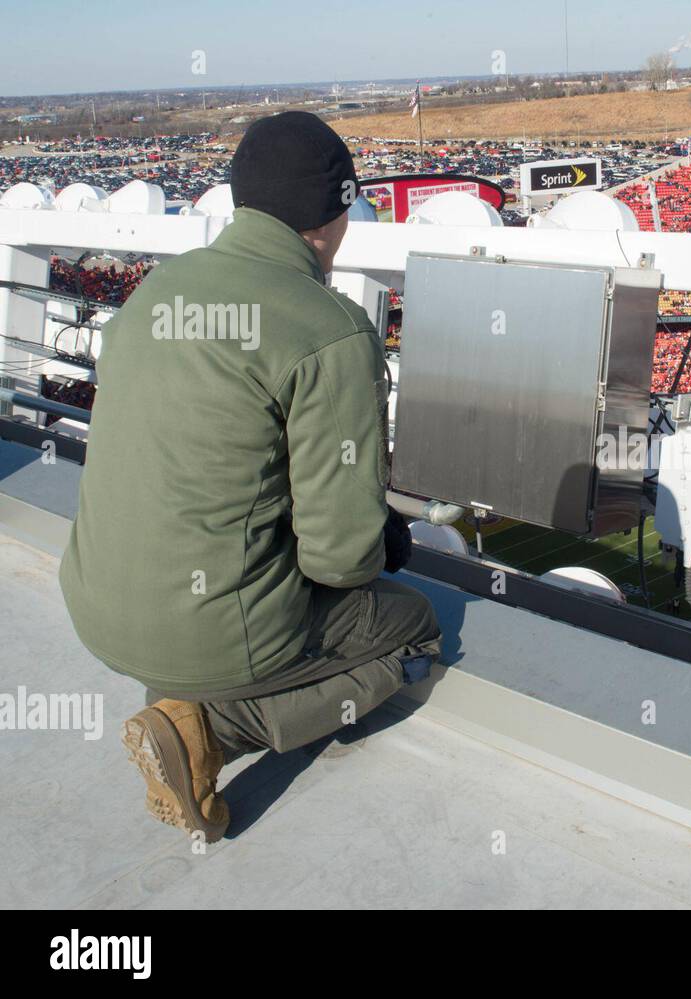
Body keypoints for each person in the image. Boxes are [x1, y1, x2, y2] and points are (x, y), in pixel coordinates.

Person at [59, 111, 441, 843]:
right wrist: (374, 534)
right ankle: (214, 728)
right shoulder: (328, 327)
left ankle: (186, 699)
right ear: (334, 213)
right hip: (201, 636)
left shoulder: (157, 289)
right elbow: (339, 559)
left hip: (96, 607)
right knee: (414, 630)